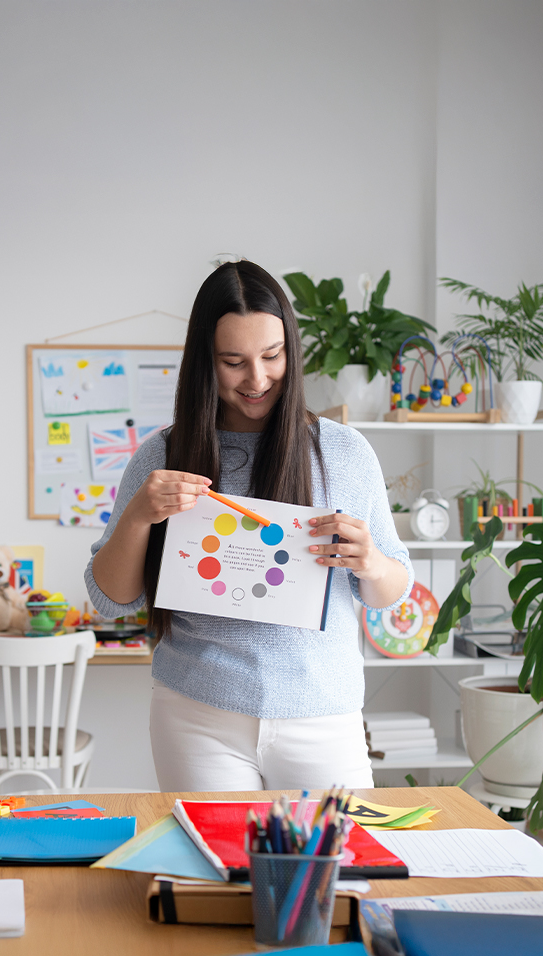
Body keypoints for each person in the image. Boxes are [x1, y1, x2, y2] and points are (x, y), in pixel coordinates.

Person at [87, 259, 413, 791]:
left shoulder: (343, 452)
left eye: (271, 356)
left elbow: (392, 592)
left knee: (338, 870)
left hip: (323, 714)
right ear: (204, 363)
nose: (257, 379)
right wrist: (139, 517)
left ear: (292, 351)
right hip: (197, 712)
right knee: (214, 872)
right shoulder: (161, 456)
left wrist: (371, 561)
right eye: (233, 361)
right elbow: (112, 600)